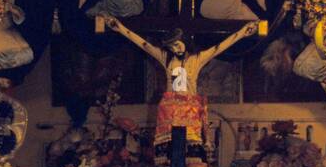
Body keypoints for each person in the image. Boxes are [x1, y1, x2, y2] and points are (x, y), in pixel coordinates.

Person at [102, 16, 259, 147]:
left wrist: (243, 32)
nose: (175, 49)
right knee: (172, 148)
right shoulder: (166, 59)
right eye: (172, 47)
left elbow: (219, 47)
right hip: (171, 108)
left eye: (177, 44)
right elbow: (145, 45)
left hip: (189, 106)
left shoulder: (196, 59)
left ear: (184, 41)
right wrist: (120, 28)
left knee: (190, 147)